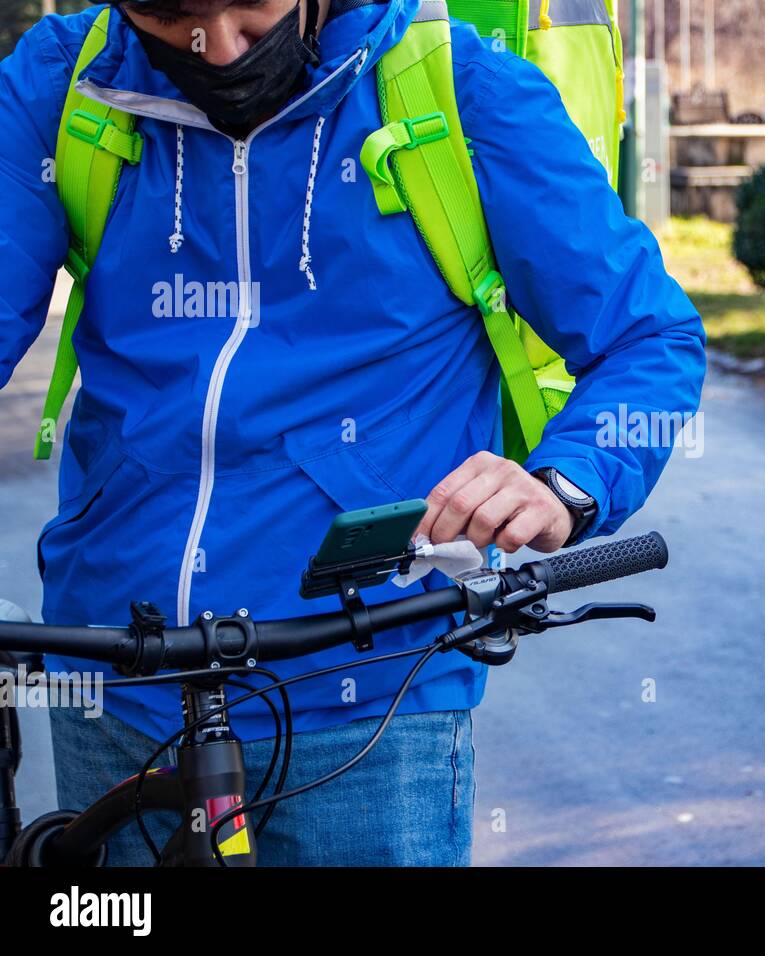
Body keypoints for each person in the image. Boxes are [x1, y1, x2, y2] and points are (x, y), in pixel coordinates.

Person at [0, 0, 705, 865]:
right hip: (119, 680)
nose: (217, 51)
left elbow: (647, 335)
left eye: (248, 9)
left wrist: (563, 481)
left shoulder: (457, 92)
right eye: (169, 14)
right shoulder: (66, 85)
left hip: (371, 700)